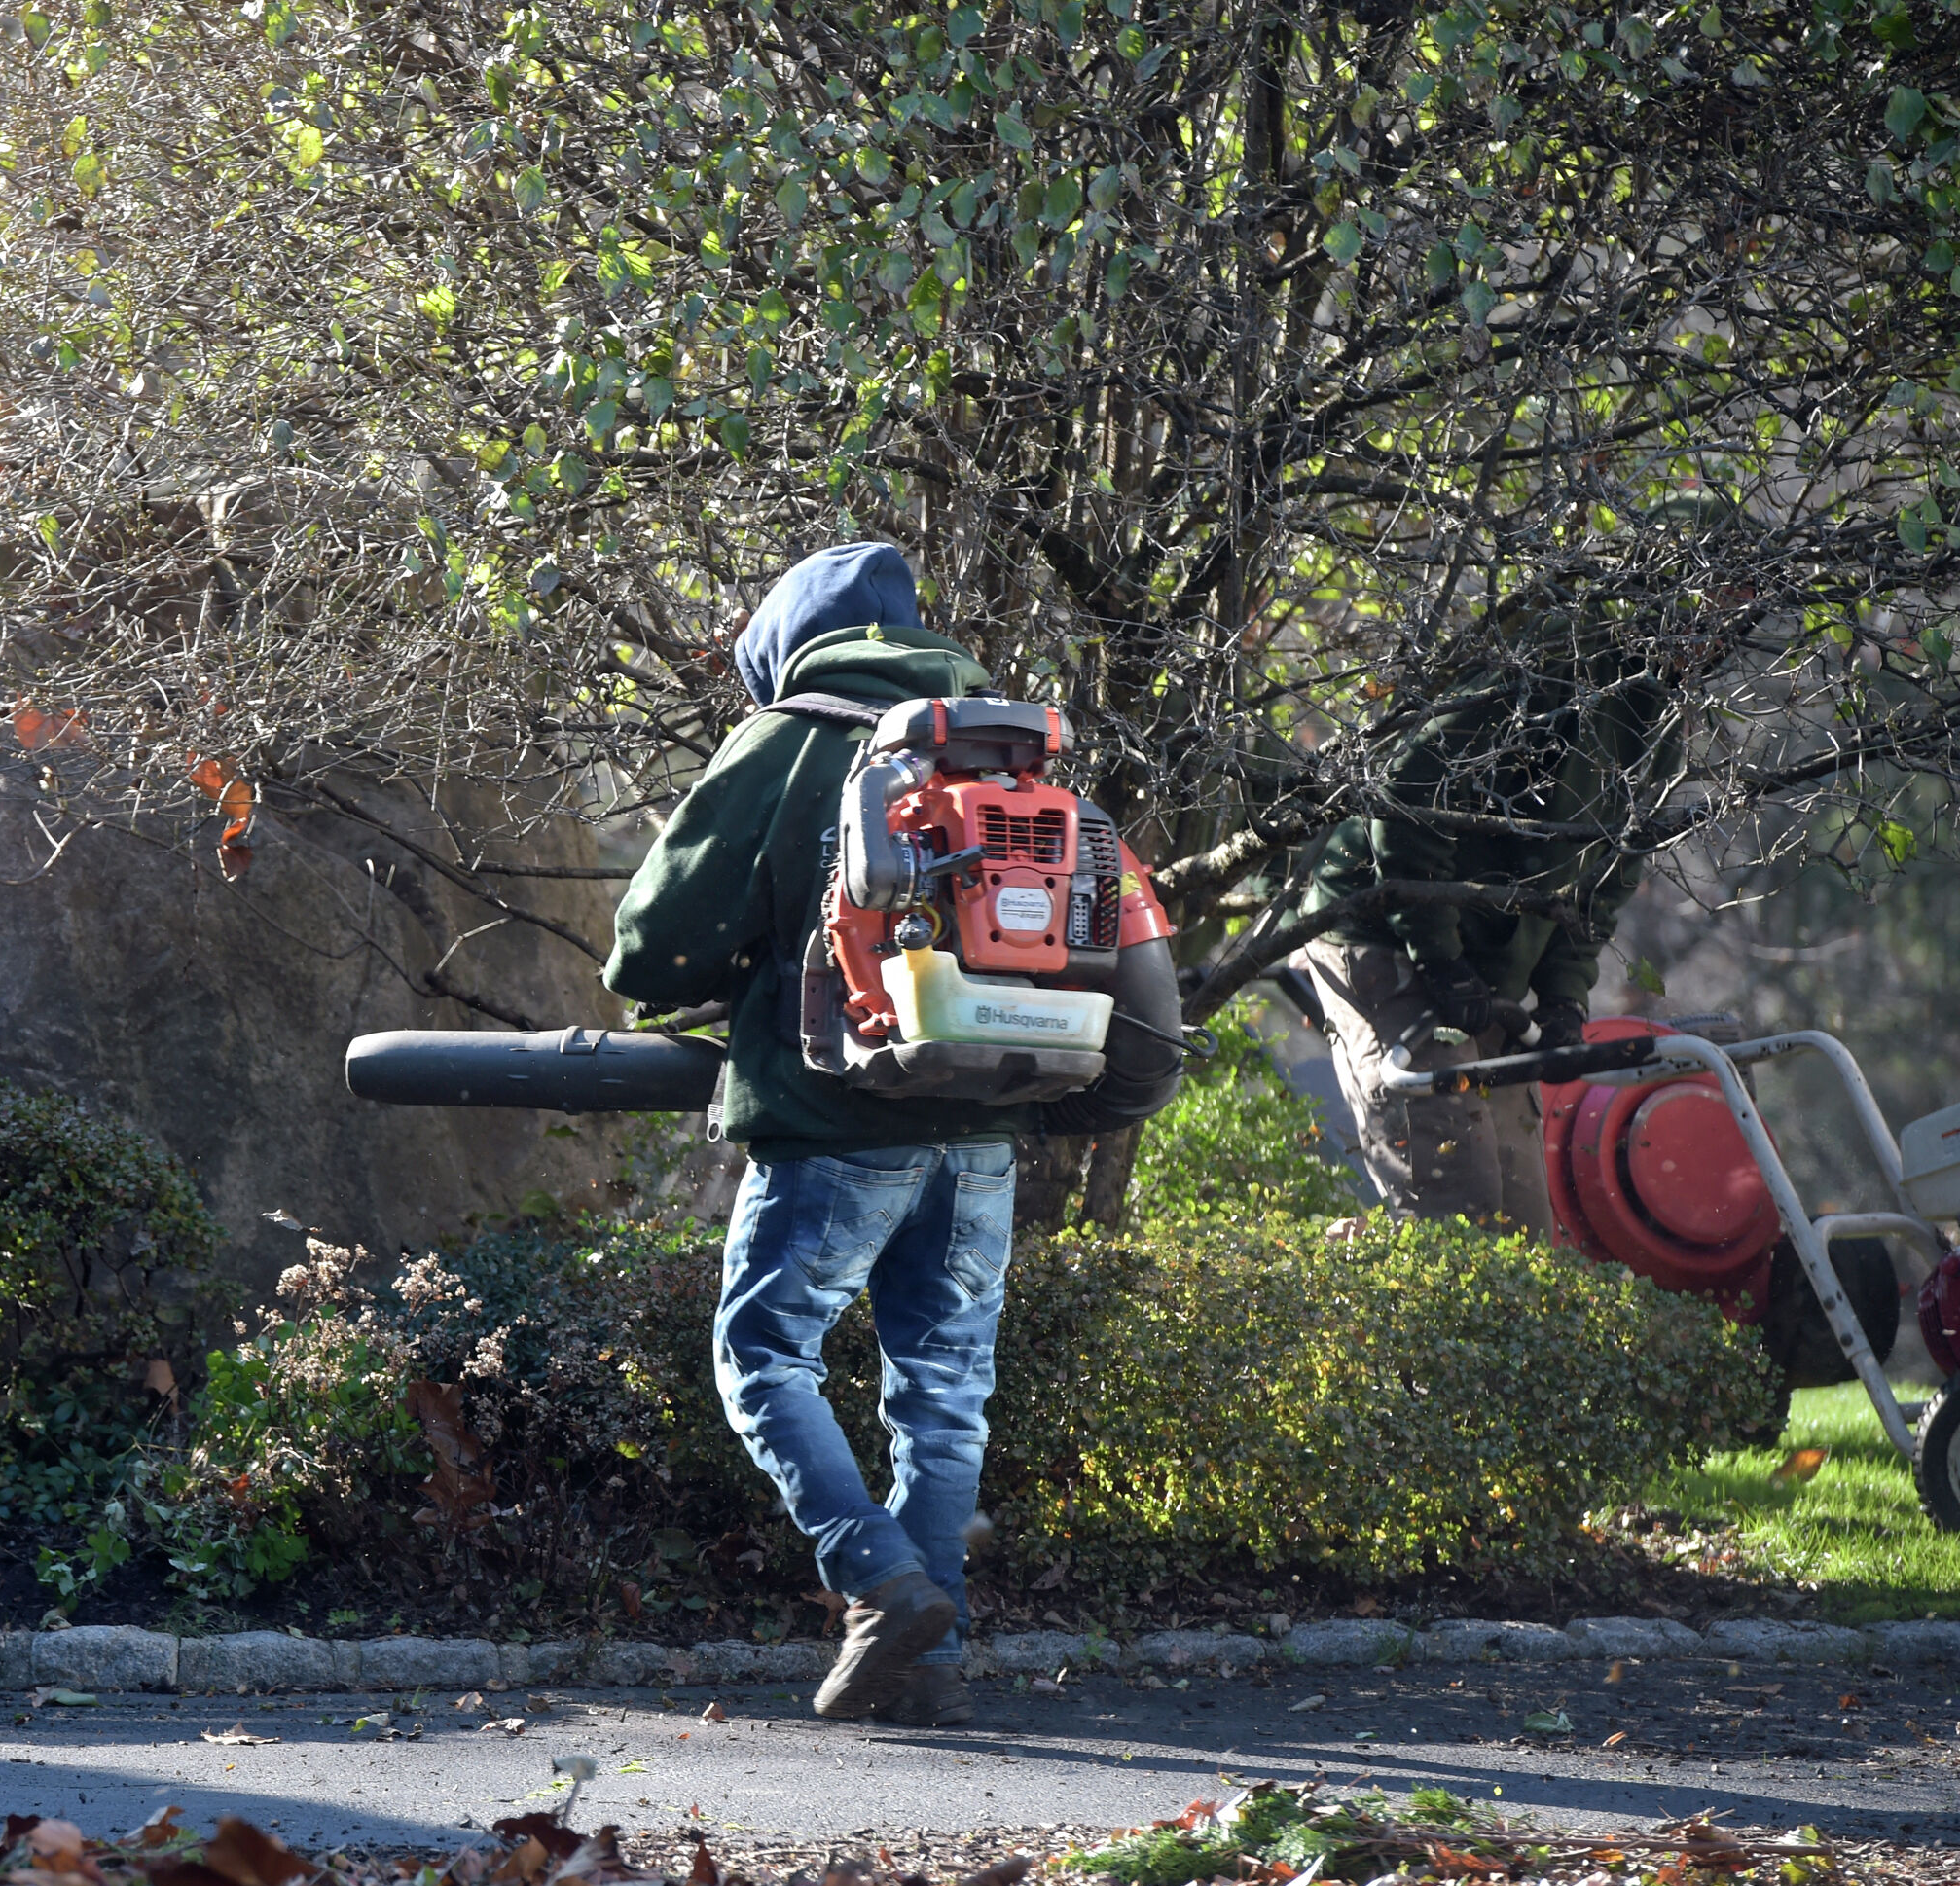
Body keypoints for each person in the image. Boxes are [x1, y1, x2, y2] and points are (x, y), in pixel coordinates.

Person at [601, 542, 1181, 1728]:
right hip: (987, 1124)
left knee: (761, 1356)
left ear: (785, 639)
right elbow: (1121, 960)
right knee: (945, 1391)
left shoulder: (791, 736)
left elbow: (648, 953)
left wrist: (746, 968)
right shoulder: (1009, 747)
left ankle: (876, 1582)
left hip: (832, 1119)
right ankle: (926, 1656)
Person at [1292, 647, 1677, 1233]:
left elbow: (1606, 878)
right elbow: (1408, 789)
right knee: (1457, 1207)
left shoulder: (1664, 712)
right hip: (1380, 926)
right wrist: (1439, 958)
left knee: (1520, 1228)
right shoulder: (1560, 651)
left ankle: (1358, 1284)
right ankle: (1329, 1302)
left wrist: (1563, 997)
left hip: (1481, 963)